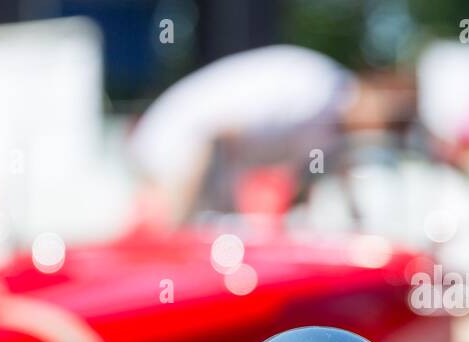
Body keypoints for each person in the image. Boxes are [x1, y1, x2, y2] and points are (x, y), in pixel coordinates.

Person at [131, 45, 413, 223]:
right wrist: (179, 222)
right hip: (174, 145)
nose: (379, 131)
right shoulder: (314, 92)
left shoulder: (331, 122)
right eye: (388, 121)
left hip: (198, 161)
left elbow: (337, 181)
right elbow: (214, 130)